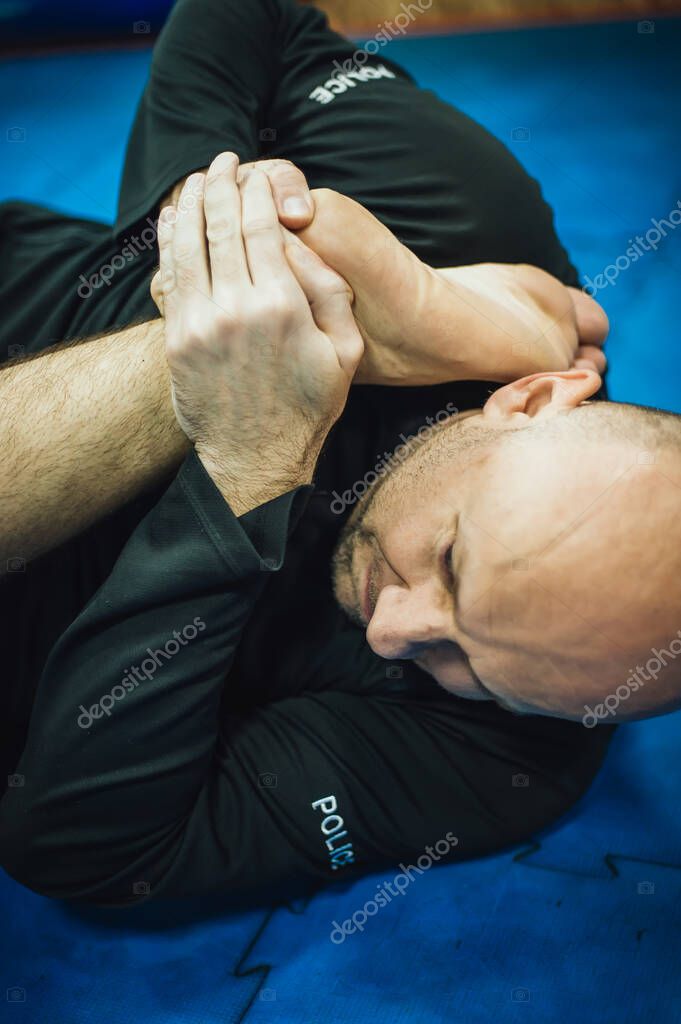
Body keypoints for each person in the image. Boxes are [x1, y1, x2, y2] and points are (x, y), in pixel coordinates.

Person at [0, 0, 631, 905]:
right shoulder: (466, 220)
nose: (396, 632)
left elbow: (87, 850)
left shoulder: (527, 745)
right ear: (530, 398)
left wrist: (245, 470)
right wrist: (198, 224)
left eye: (479, 675)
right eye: (451, 564)